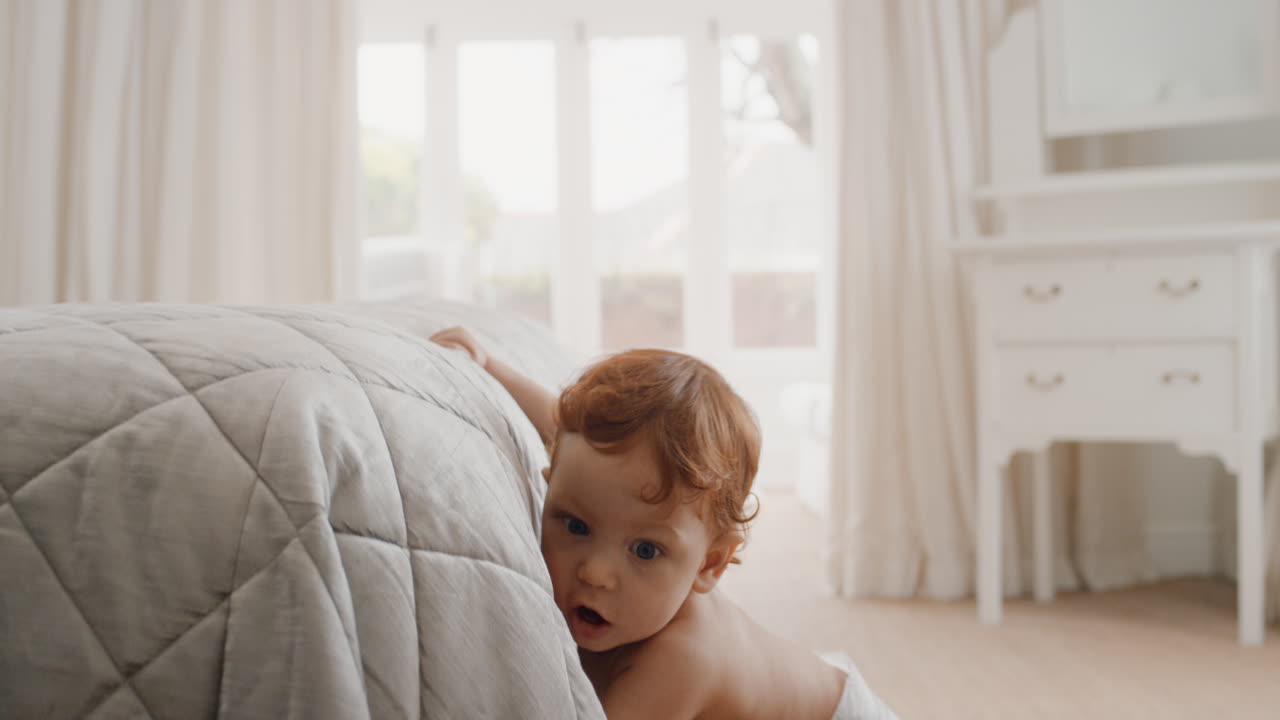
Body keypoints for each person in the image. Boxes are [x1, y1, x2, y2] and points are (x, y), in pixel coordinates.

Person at [430, 326, 897, 720]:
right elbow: (570, 437)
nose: (596, 572)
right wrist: (491, 366)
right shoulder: (605, 491)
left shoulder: (678, 662)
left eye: (645, 551)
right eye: (576, 526)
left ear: (710, 564)